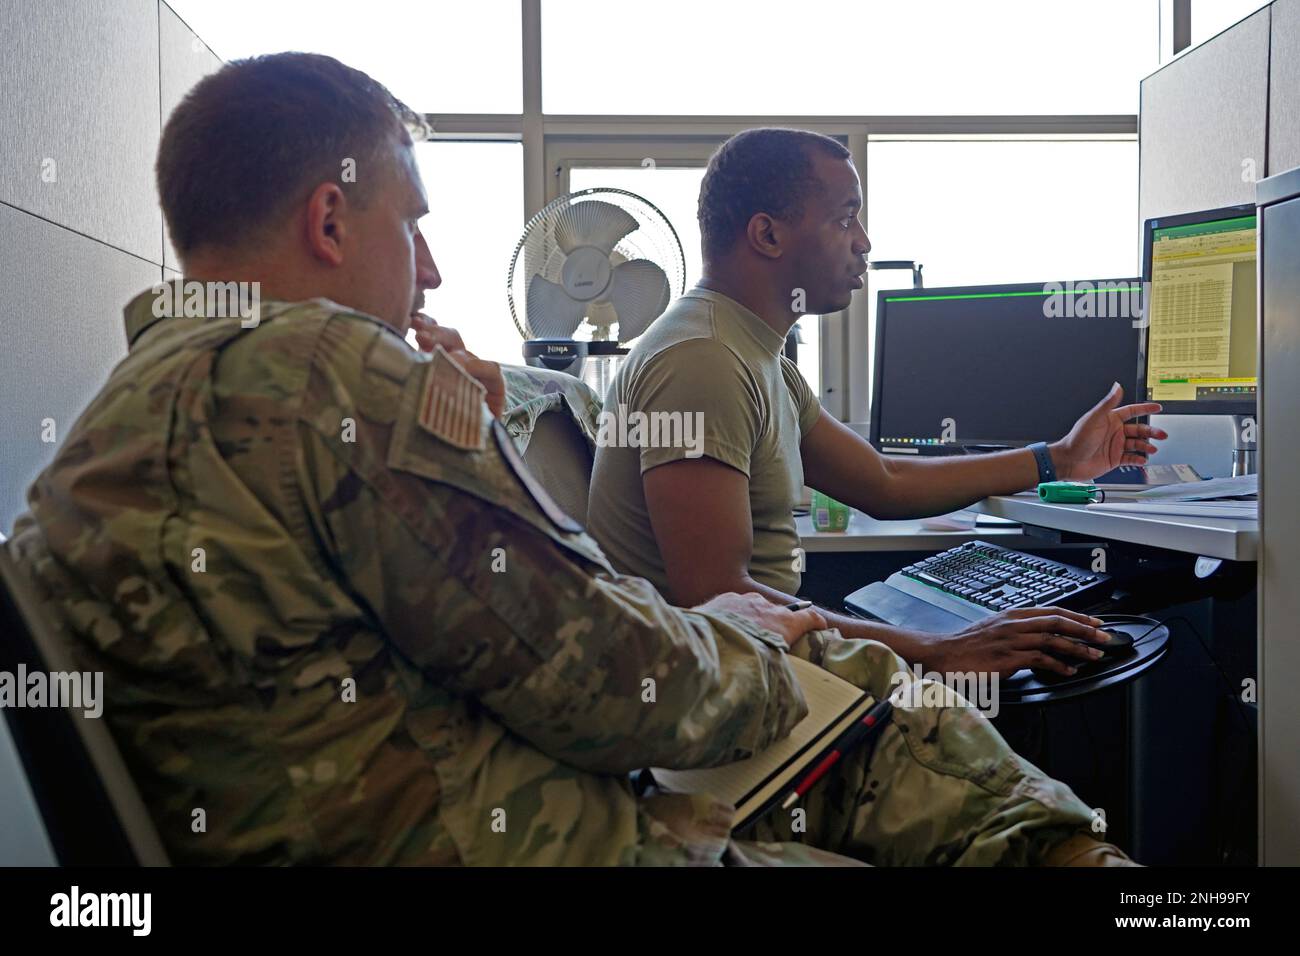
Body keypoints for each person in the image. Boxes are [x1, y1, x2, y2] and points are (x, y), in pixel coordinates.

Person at [5, 55, 1131, 865]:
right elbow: (613, 680)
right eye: (415, 224)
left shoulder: (102, 436)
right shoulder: (320, 371)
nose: (434, 271)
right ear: (330, 220)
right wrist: (774, 645)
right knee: (881, 705)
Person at [587, 127, 1167, 679]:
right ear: (767, 236)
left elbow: (883, 481)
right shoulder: (703, 360)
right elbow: (717, 596)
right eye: (845, 219)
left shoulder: (755, 355)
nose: (864, 241)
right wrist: (939, 650)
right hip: (716, 678)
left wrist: (1058, 459)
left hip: (758, 655)